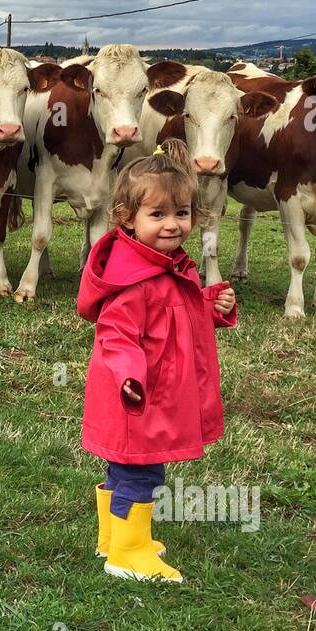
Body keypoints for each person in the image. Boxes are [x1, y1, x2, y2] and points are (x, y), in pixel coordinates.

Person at [76, 140, 237, 583]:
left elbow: (174, 315)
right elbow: (116, 333)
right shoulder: (135, 279)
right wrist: (129, 375)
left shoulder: (165, 266)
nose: (172, 225)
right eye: (158, 214)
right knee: (142, 472)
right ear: (127, 218)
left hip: (150, 395)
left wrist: (209, 305)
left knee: (124, 466)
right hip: (139, 396)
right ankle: (129, 554)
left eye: (181, 213)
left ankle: (113, 537)